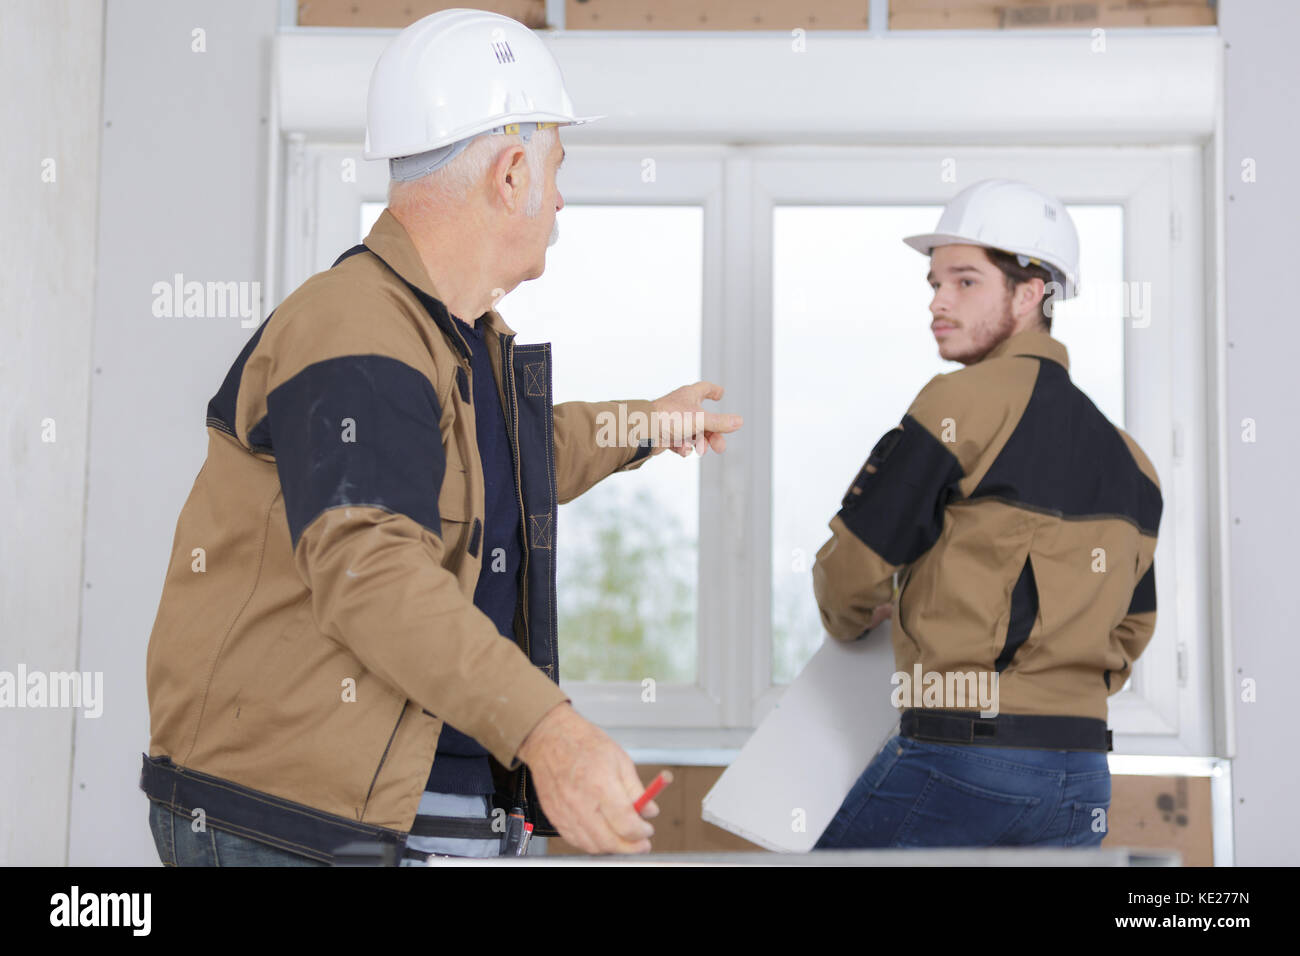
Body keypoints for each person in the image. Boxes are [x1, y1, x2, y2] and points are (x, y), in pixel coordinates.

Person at [140, 9, 741, 866]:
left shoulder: (448, 338)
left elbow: (505, 465)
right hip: (289, 822)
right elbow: (371, 570)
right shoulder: (355, 329)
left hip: (388, 809)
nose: (561, 198)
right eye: (556, 169)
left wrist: (646, 425)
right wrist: (549, 733)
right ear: (509, 175)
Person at [811, 179, 1161, 849]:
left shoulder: (961, 403)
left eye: (965, 282)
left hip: (962, 756)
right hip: (1083, 778)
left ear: (1030, 294)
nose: (938, 302)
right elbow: (1129, 633)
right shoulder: (1133, 461)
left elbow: (852, 567)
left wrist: (857, 615)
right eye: (934, 283)